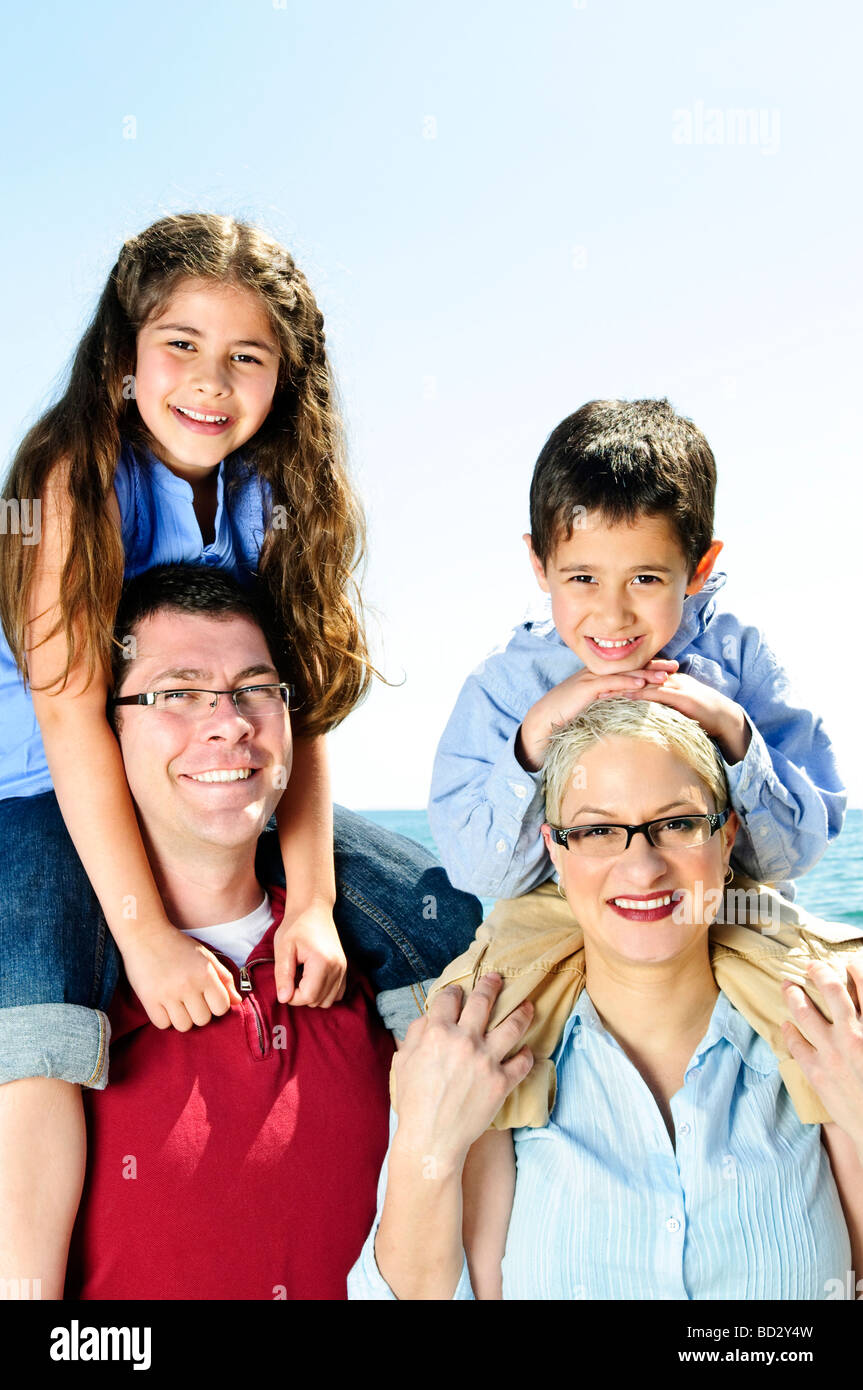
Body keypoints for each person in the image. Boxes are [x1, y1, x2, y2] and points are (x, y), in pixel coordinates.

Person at [0, 215, 480, 1298]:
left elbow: (293, 712)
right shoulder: (76, 478)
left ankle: (465, 1219)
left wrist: (309, 899)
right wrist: (147, 934)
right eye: (179, 344)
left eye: (245, 356)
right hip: (38, 782)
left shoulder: (276, 497)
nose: (209, 380)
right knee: (36, 1007)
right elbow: (73, 720)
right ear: (123, 355)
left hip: (208, 761)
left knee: (435, 916)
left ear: (284, 377)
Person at [427, 397, 850, 1130]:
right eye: (582, 578)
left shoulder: (739, 660)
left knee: (824, 1002)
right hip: (558, 903)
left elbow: (796, 853)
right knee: (480, 1010)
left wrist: (731, 729)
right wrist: (533, 739)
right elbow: (480, 871)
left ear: (699, 565)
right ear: (538, 563)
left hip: (720, 894)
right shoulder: (506, 685)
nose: (613, 616)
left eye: (646, 579)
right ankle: (495, 1171)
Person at [349, 700, 863, 1300]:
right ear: (555, 853)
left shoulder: (835, 1046)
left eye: (677, 823)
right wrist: (423, 1144)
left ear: (726, 839)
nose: (642, 867)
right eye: (596, 830)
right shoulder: (479, 1067)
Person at [64, 565, 398, 1298]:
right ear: (107, 725)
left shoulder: (388, 978)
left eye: (256, 688)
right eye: (177, 692)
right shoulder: (50, 1007)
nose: (230, 721)